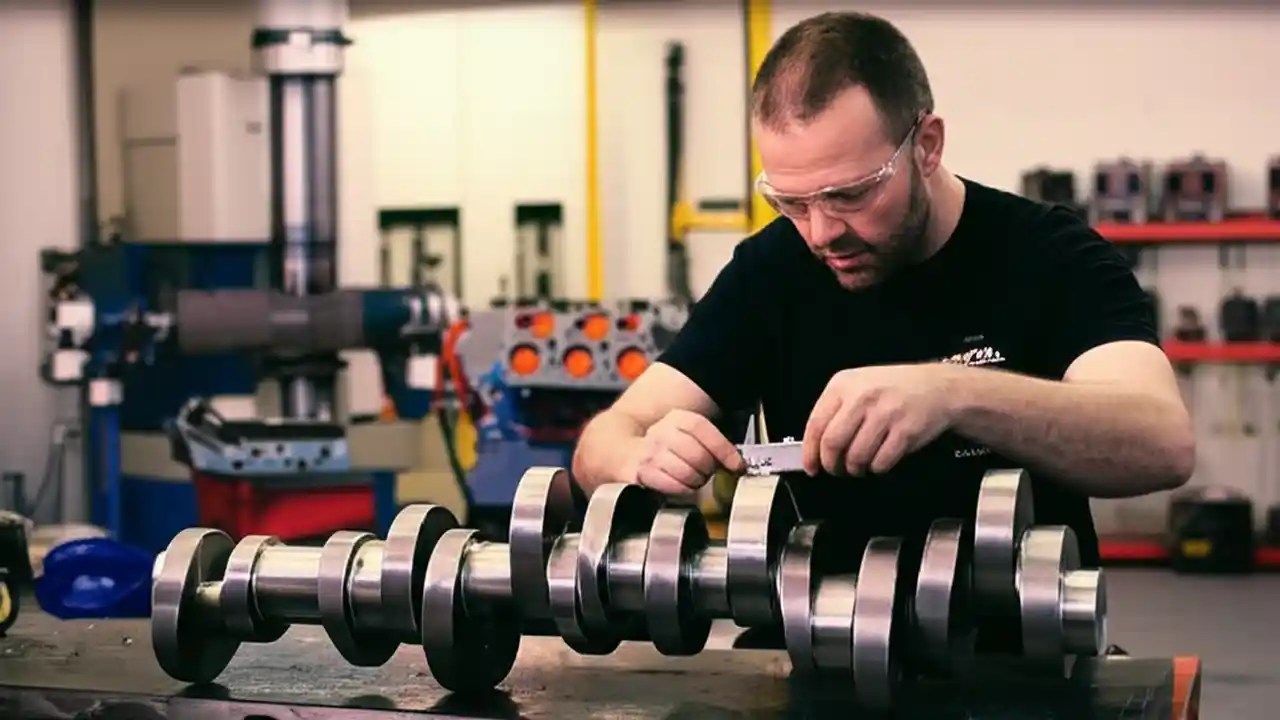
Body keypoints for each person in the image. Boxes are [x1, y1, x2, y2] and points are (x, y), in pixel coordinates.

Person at [571, 11, 1195, 570]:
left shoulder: (1048, 255)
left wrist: (955, 392)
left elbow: (1161, 444)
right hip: (826, 655)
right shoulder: (771, 271)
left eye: (850, 194)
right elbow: (604, 438)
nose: (822, 233)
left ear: (926, 146)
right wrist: (639, 456)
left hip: (1026, 660)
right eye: (791, 202)